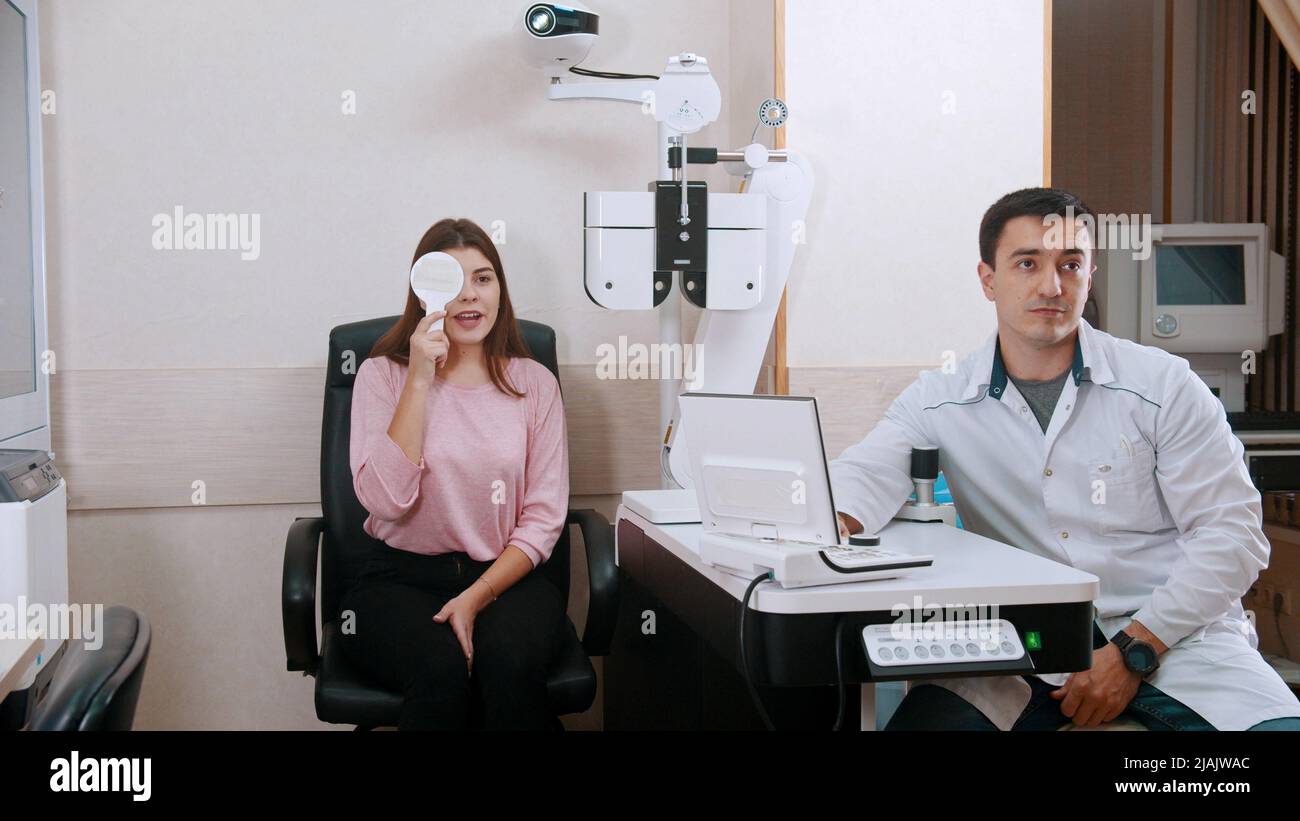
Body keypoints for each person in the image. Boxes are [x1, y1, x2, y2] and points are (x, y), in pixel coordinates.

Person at [829, 188, 1300, 731]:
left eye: (1069, 265)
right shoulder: (940, 399)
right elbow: (863, 478)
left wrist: (1134, 650)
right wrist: (824, 522)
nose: (1051, 286)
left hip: (1177, 641)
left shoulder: (1164, 385)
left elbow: (1233, 536)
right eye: (1027, 263)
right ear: (988, 280)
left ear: (1089, 275)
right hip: (1017, 649)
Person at [340, 217, 569, 730]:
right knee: (439, 669)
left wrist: (475, 596)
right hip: (397, 581)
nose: (470, 296)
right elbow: (385, 500)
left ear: (501, 292)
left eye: (484, 278)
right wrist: (419, 377)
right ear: (425, 292)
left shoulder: (534, 383)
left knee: (508, 665)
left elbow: (544, 517)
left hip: (505, 580)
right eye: (455, 280)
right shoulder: (381, 375)